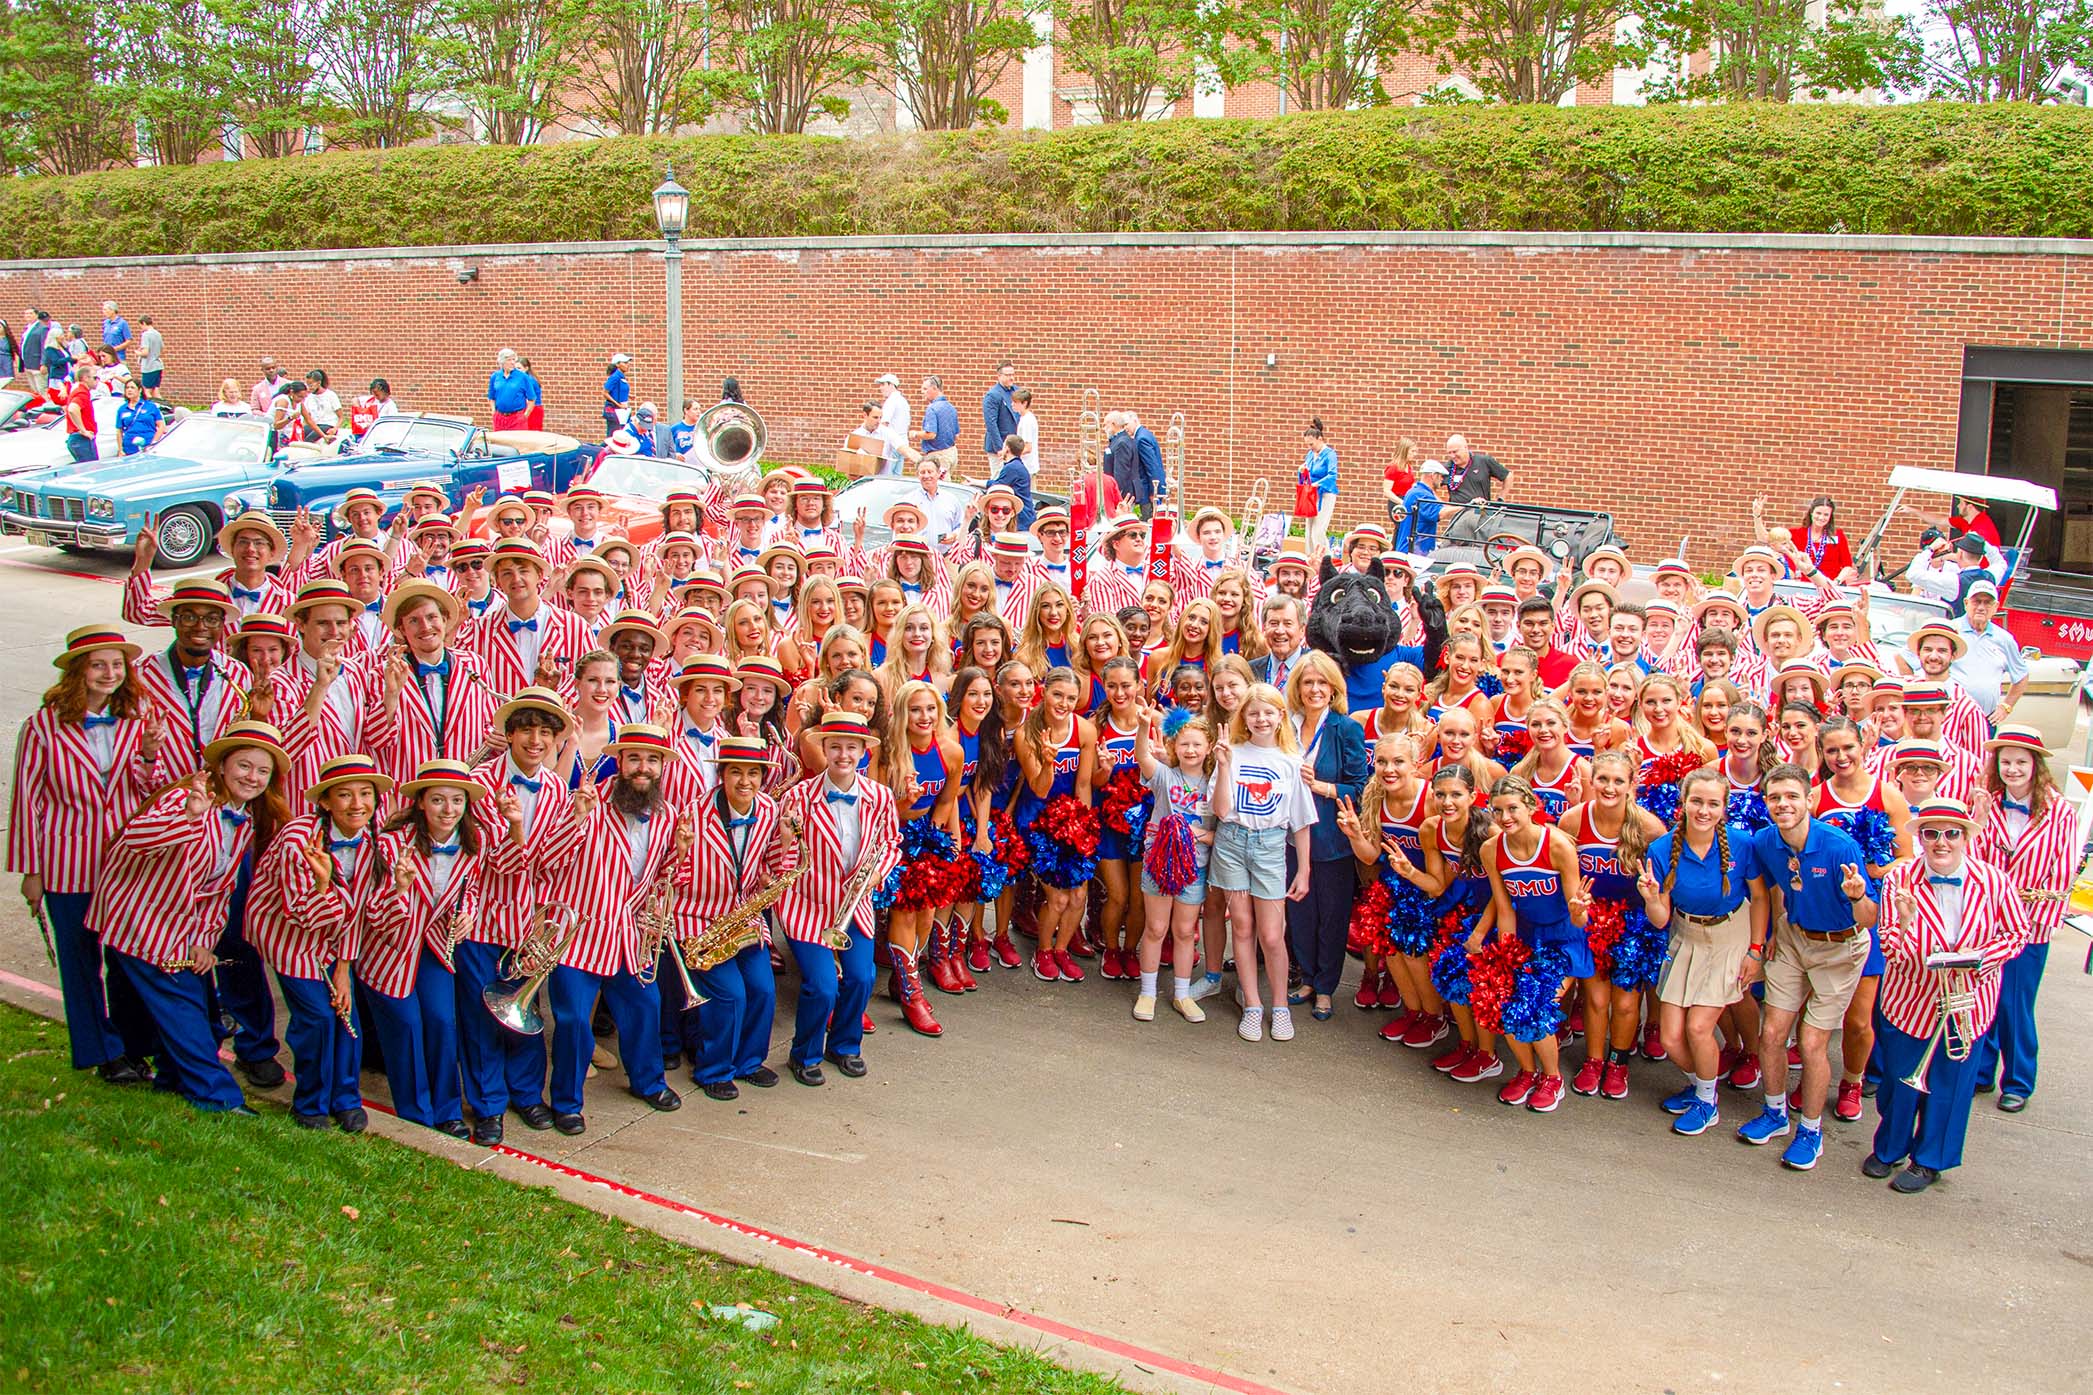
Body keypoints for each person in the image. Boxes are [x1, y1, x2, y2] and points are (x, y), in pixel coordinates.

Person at [91, 721, 293, 1116]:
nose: (252, 777)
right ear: (221, 766)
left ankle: (173, 1078)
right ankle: (216, 1096)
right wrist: (186, 819)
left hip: (181, 928)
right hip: (140, 919)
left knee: (199, 1003)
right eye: (244, 766)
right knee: (184, 1009)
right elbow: (135, 839)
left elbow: (219, 892)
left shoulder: (243, 819)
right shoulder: (188, 798)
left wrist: (204, 941)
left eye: (261, 771)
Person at [11, 625, 168, 1083]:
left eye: (117, 665)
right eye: (99, 665)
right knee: (81, 961)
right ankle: (101, 1052)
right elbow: (27, 799)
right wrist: (31, 871)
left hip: (123, 861)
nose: (109, 673)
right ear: (78, 672)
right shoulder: (43, 726)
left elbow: (149, 793)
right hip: (67, 863)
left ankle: (133, 1044)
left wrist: (149, 756)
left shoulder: (137, 717)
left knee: (126, 957)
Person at [1865, 798, 2029, 1193]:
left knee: (1950, 1088)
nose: (1941, 842)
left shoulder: (1993, 881)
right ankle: (1890, 1148)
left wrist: (1976, 962)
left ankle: (1930, 1160)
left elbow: (2016, 933)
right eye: (1932, 833)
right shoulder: (1900, 881)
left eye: (1951, 834)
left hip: (1967, 1004)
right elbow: (1891, 949)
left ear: (1965, 838)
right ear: (1920, 838)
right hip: (1911, 1001)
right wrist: (1905, 923)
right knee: (1899, 1084)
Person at [1737, 764, 1878, 1171]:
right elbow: (1770, 889)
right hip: (1795, 940)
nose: (1783, 804)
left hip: (1840, 947)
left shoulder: (1838, 846)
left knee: (1813, 1041)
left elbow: (1868, 918)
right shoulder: (1766, 841)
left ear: (1809, 800)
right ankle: (1775, 1112)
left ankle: (1810, 1131)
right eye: (1775, 797)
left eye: (1792, 796)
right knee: (1772, 1033)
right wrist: (1772, 934)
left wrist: (1856, 897)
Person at [247, 753, 395, 1132]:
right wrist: (324, 884)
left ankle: (344, 1098)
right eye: (345, 795)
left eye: (365, 794)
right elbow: (304, 914)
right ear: (326, 802)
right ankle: (310, 1102)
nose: (358, 804)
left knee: (346, 1018)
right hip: (291, 937)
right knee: (315, 1019)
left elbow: (358, 911)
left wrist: (344, 969)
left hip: (335, 939)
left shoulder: (373, 841)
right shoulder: (299, 839)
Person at [364, 760, 491, 1137]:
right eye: (437, 800)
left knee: (441, 1022)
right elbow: (372, 912)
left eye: (456, 801)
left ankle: (447, 1109)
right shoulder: (390, 844)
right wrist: (400, 890)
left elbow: (471, 892)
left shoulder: (473, 843)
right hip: (391, 947)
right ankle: (416, 1111)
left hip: (434, 945)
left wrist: (467, 915)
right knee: (405, 1025)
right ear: (420, 803)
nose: (448, 810)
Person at [1641, 769, 1769, 1136]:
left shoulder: (1742, 844)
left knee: (1699, 1028)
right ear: (1683, 804)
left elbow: (1759, 897)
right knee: (1669, 1038)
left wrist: (1756, 951)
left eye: (1713, 803)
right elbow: (1661, 918)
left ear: (1724, 808)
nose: (1703, 810)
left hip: (1731, 933)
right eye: (1696, 801)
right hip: (1686, 933)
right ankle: (1701, 1083)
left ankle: (1707, 1101)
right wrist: (1651, 899)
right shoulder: (1662, 848)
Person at [775, 711, 900, 1086]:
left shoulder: (879, 796)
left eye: (851, 748)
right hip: (808, 905)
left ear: (864, 752)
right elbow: (784, 857)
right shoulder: (800, 797)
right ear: (824, 749)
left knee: (862, 977)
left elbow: (891, 843)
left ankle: (845, 1046)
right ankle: (805, 1053)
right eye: (835, 747)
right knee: (822, 985)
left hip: (854, 906)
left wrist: (879, 873)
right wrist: (785, 839)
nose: (843, 755)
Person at [674, 735, 797, 1100]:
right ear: (722, 775)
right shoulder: (694, 814)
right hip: (699, 921)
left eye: (754, 773)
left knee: (762, 989)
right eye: (736, 773)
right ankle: (713, 1069)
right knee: (731, 996)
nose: (745, 781)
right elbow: (675, 875)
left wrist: (788, 844)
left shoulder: (770, 811)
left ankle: (748, 1061)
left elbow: (777, 865)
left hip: (744, 919)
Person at [1968, 725, 2074, 1114]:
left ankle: (2018, 1080)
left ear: (2036, 766)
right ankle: (1980, 1071)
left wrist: (2032, 924)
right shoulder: (1988, 804)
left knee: (2015, 1002)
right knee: (1982, 1000)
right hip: (1987, 921)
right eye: (2006, 762)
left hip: (2030, 922)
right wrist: (1977, 817)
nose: (2013, 769)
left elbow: (2061, 874)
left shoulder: (2059, 811)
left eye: (2021, 762)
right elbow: (1973, 861)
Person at [1213, 682, 1316, 1043]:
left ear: (1280, 716)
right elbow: (1222, 810)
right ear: (1244, 717)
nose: (1260, 719)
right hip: (1232, 843)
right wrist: (1224, 766)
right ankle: (1253, 1005)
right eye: (1253, 713)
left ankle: (1280, 1007)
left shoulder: (1291, 761)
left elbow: (1301, 821)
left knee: (1272, 935)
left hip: (1271, 846)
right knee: (1241, 927)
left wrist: (1303, 869)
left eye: (1268, 712)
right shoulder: (1233, 752)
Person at [1284, 653, 1370, 1021]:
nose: (1315, 689)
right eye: (1308, 682)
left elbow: (1360, 786)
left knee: (1332, 917)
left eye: (1322, 682)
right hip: (1290, 837)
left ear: (1333, 687)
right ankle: (1306, 977)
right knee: (1299, 912)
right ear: (1298, 687)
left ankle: (1325, 989)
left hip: (1333, 838)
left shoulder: (1345, 728)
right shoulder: (1286, 725)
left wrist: (1320, 786)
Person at [1442, 434, 1508, 542]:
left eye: (1455, 451)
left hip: (1482, 514)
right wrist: (1443, 505)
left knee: (1480, 545)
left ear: (1465, 448)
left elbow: (1508, 476)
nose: (1452, 456)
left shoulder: (1483, 461)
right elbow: (1431, 485)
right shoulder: (1447, 468)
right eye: (1449, 453)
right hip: (1459, 517)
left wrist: (1501, 499)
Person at [1298, 418, 1339, 553]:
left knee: (1319, 530)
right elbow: (1306, 476)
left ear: (1320, 439)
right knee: (1309, 529)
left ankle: (1324, 558)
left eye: (1312, 444)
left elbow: (1332, 475)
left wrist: (1318, 484)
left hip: (1325, 493)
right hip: (1311, 494)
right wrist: (1302, 472)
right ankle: (1310, 556)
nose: (1310, 447)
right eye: (1307, 445)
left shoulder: (1329, 454)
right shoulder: (1310, 455)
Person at [1395, 460, 1447, 554]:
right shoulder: (1422, 495)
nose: (1442, 479)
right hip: (1415, 553)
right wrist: (1467, 507)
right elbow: (1440, 513)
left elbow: (1442, 505)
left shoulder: (1415, 491)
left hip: (1409, 549)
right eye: (1441, 476)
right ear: (1434, 475)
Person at [981, 360, 1018, 472]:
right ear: (999, 376)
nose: (1011, 378)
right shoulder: (993, 395)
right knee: (999, 478)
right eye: (1007, 375)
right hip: (1000, 446)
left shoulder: (1016, 391)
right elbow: (991, 424)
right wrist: (999, 447)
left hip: (1014, 446)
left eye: (1013, 374)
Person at [114, 378, 164, 455]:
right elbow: (119, 431)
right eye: (127, 388)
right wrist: (120, 449)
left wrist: (154, 443)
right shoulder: (122, 409)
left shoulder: (150, 406)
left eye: (132, 388)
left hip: (148, 445)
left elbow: (161, 426)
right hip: (129, 447)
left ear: (139, 390)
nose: (129, 390)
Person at [874, 372, 911, 475]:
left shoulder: (891, 401)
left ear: (891, 385)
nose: (880, 388)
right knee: (897, 477)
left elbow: (884, 424)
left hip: (892, 444)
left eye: (883, 384)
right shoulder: (903, 401)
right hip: (903, 443)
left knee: (887, 476)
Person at [488, 348, 536, 430]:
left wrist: (525, 415)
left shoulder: (523, 377)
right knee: (499, 442)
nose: (512, 362)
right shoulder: (495, 376)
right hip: (500, 418)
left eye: (514, 359)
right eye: (509, 360)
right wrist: (493, 412)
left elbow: (532, 399)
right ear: (502, 362)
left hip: (517, 418)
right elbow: (491, 397)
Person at [63, 362, 97, 462]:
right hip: (81, 439)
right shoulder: (82, 392)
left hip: (78, 438)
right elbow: (72, 409)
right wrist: (83, 430)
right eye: (95, 378)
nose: (97, 381)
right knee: (90, 471)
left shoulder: (78, 390)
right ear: (85, 378)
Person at [21, 309, 51, 392]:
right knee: (35, 390)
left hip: (37, 364)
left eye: (30, 313)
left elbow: (44, 347)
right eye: (26, 314)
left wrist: (43, 363)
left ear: (36, 315)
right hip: (28, 364)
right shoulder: (26, 328)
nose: (28, 315)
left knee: (41, 389)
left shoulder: (42, 328)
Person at [602, 352, 633, 435]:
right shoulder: (615, 377)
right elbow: (605, 393)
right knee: (614, 435)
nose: (628, 365)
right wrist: (618, 405)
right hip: (614, 411)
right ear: (618, 364)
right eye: (625, 363)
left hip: (622, 411)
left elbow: (617, 390)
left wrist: (629, 396)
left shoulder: (621, 377)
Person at [135, 315, 164, 399]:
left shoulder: (146, 335)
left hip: (149, 366)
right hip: (158, 365)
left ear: (143, 323)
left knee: (146, 391)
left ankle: (150, 408)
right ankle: (163, 407)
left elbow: (145, 352)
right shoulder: (158, 334)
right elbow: (162, 348)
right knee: (156, 391)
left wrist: (138, 353)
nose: (140, 328)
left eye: (140, 326)